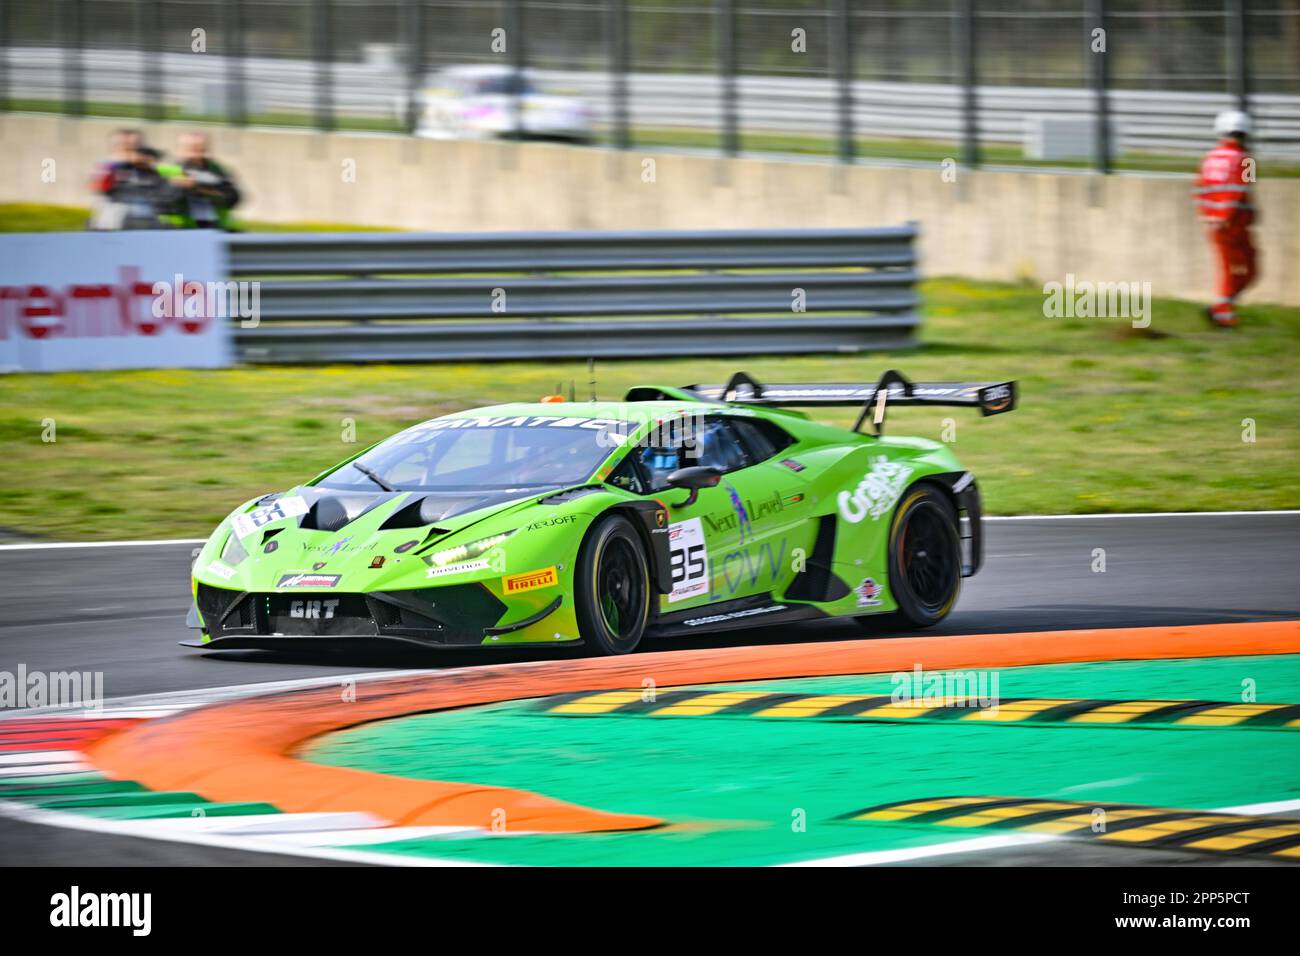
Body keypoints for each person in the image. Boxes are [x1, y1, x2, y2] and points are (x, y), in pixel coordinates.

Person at [1194, 110, 1258, 328]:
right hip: (1236, 223)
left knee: (1228, 269)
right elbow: (1244, 189)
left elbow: (1200, 189)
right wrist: (1232, 216)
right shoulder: (1247, 160)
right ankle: (1222, 311)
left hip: (1215, 224)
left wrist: (1209, 216)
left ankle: (1221, 309)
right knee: (1249, 270)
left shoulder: (1209, 158)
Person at [88, 133, 177, 230]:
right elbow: (98, 187)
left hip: (146, 221)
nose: (129, 148)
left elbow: (168, 191)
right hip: (112, 223)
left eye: (135, 146)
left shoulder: (153, 170)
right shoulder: (107, 166)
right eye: (124, 145)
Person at [157, 132, 241, 230]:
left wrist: (200, 189)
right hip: (180, 229)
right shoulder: (169, 171)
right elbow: (161, 203)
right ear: (180, 150)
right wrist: (179, 188)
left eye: (202, 149)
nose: (198, 154)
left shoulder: (217, 170)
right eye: (192, 149)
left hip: (216, 227)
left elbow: (234, 198)